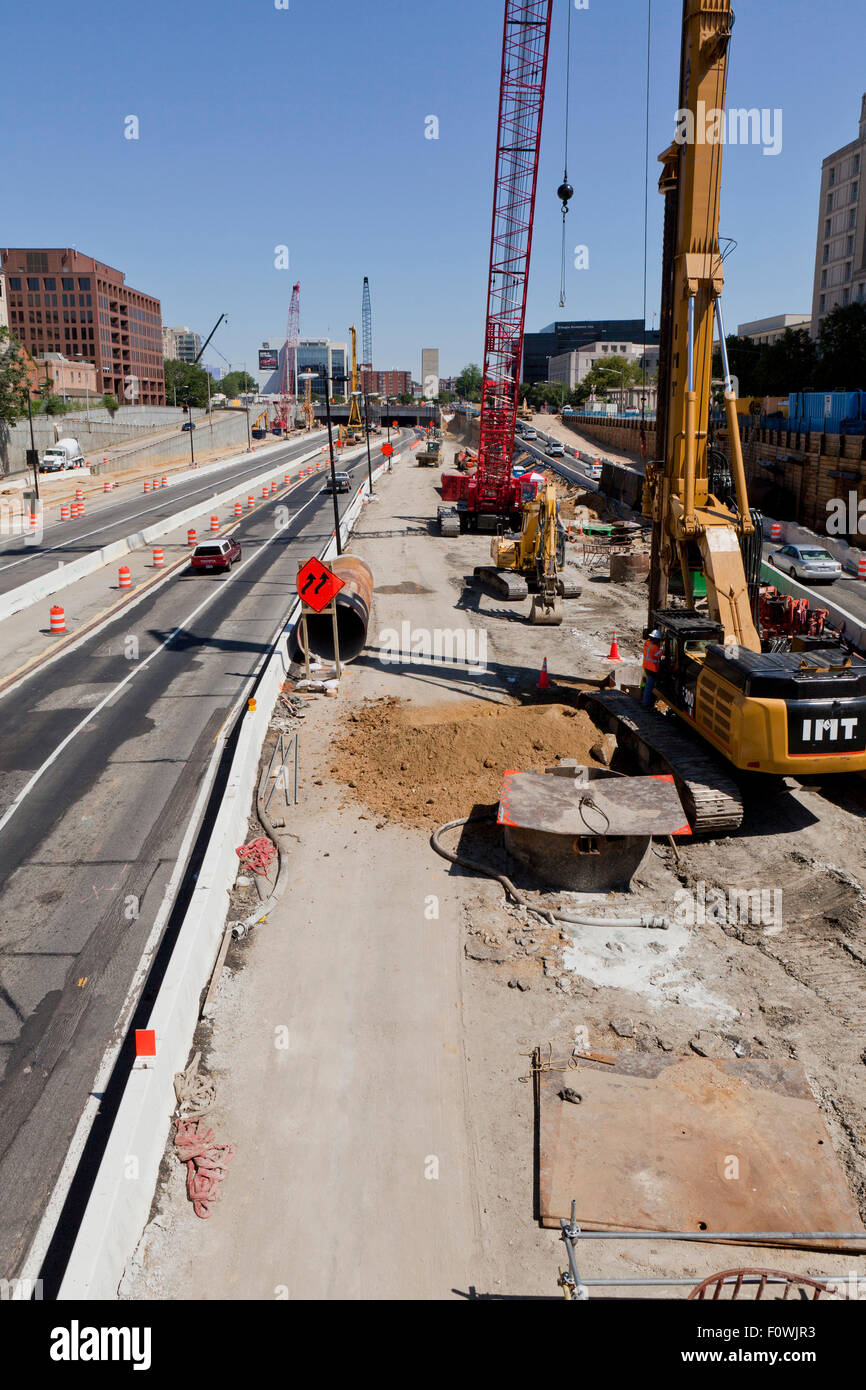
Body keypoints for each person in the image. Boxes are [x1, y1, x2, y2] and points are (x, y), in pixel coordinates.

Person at [641, 628, 663, 707]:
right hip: (651, 669)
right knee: (649, 687)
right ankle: (645, 704)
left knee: (647, 685)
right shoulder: (654, 648)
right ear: (656, 639)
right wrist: (664, 648)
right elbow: (659, 655)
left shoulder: (647, 643)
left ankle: (645, 702)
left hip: (647, 667)